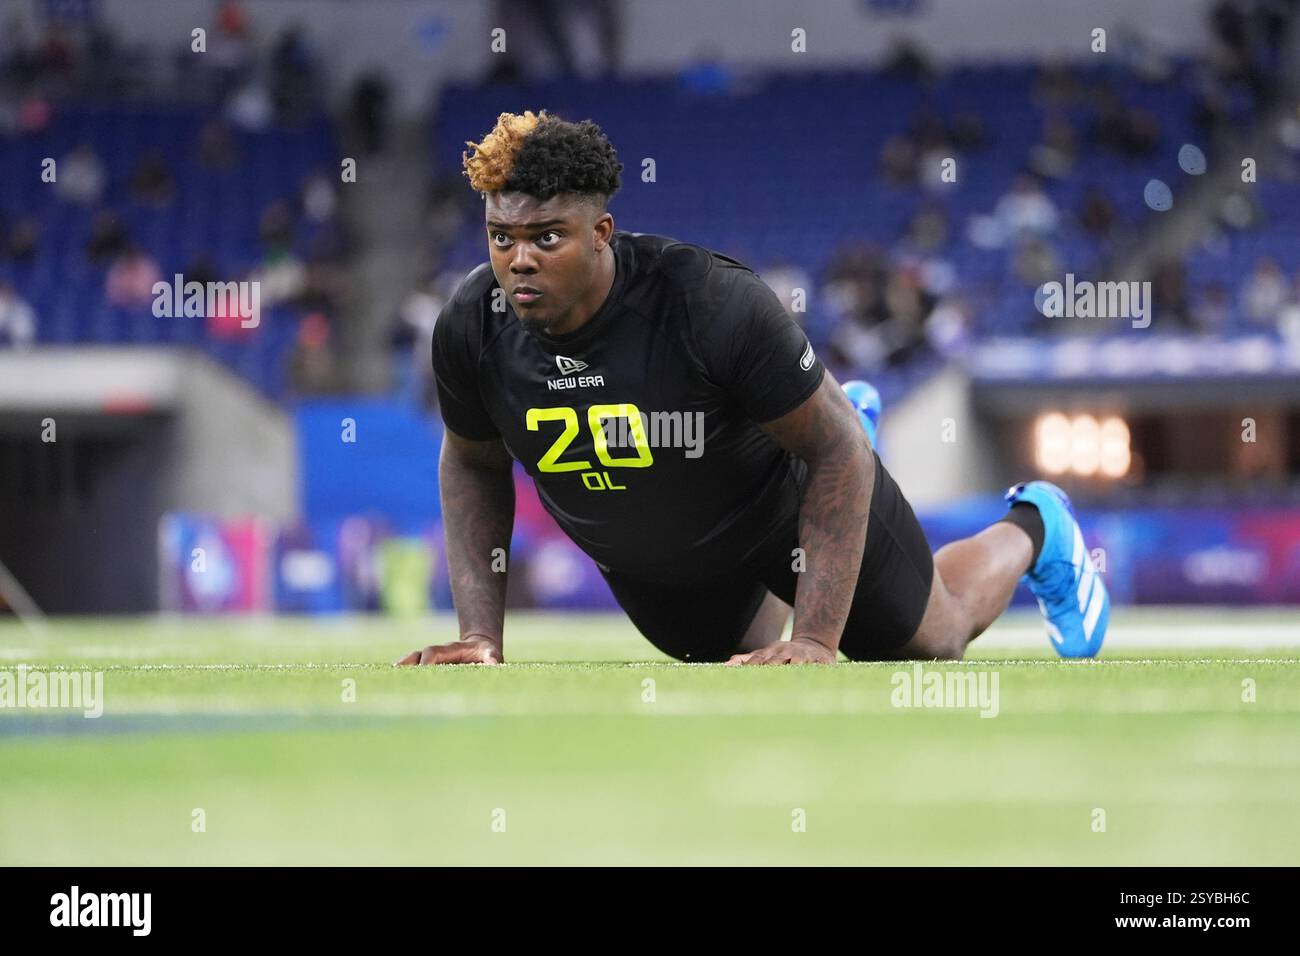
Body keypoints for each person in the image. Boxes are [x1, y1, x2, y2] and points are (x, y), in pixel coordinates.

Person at [398, 111, 1108, 667]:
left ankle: (1035, 528)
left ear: (601, 233)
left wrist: (818, 641)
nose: (517, 260)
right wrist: (478, 637)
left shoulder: (707, 301)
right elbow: (472, 461)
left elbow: (833, 455)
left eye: (547, 237)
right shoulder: (471, 321)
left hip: (785, 489)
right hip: (660, 546)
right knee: (716, 660)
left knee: (927, 640)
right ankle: (814, 410)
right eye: (501, 237)